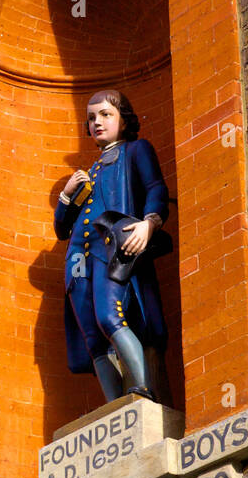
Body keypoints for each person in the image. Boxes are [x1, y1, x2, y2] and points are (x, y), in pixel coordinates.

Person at [54, 89, 171, 403]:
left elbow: (155, 187)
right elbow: (61, 229)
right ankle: (115, 405)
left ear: (123, 119)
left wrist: (150, 223)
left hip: (113, 248)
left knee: (110, 317)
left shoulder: (136, 150)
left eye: (106, 114)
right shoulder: (88, 172)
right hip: (80, 259)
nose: (97, 123)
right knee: (93, 338)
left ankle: (143, 390)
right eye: (92, 117)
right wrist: (66, 195)